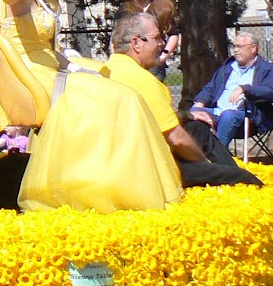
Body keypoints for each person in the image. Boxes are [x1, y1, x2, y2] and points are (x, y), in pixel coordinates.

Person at [0, 0, 180, 212]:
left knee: (115, 83)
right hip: (30, 73)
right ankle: (95, 185)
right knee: (117, 98)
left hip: (52, 63)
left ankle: (113, 177)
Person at [104, 13, 259, 188]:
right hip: (151, 169)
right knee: (241, 178)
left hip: (120, 163)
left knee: (196, 128)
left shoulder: (107, 70)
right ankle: (243, 186)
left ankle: (226, 170)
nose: (162, 44)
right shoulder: (142, 80)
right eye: (156, 38)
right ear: (136, 43)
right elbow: (176, 139)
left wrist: (187, 115)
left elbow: (148, 119)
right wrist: (206, 165)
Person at [190, 33, 273, 149]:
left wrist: (245, 89)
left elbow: (272, 91)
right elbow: (210, 88)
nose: (235, 50)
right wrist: (199, 104)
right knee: (192, 112)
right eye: (234, 46)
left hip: (249, 117)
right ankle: (195, 155)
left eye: (240, 47)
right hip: (217, 113)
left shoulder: (266, 68)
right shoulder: (227, 68)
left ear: (253, 48)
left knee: (228, 116)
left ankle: (217, 154)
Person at [119, 0, 180, 73]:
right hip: (131, 61)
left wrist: (164, 55)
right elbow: (116, 37)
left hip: (154, 61)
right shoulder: (125, 9)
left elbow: (173, 34)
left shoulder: (162, 9)